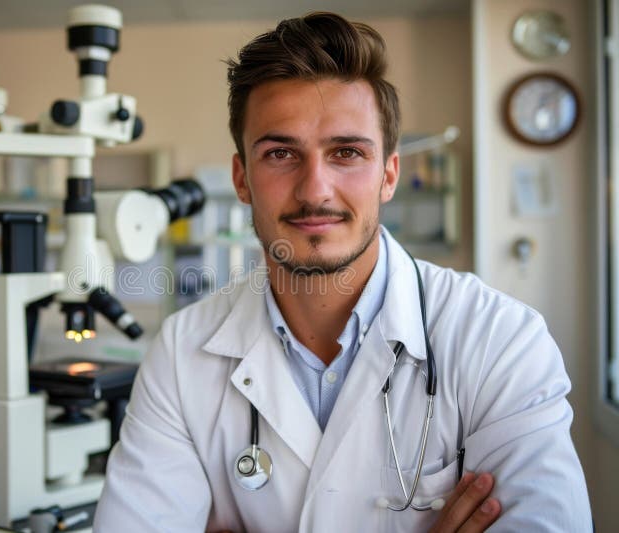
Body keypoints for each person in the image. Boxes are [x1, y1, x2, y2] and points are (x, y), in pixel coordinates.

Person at [93, 12, 591, 532]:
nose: (315, 190)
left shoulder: (499, 339)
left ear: (389, 174)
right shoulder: (181, 354)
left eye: (347, 153)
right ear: (242, 178)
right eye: (281, 153)